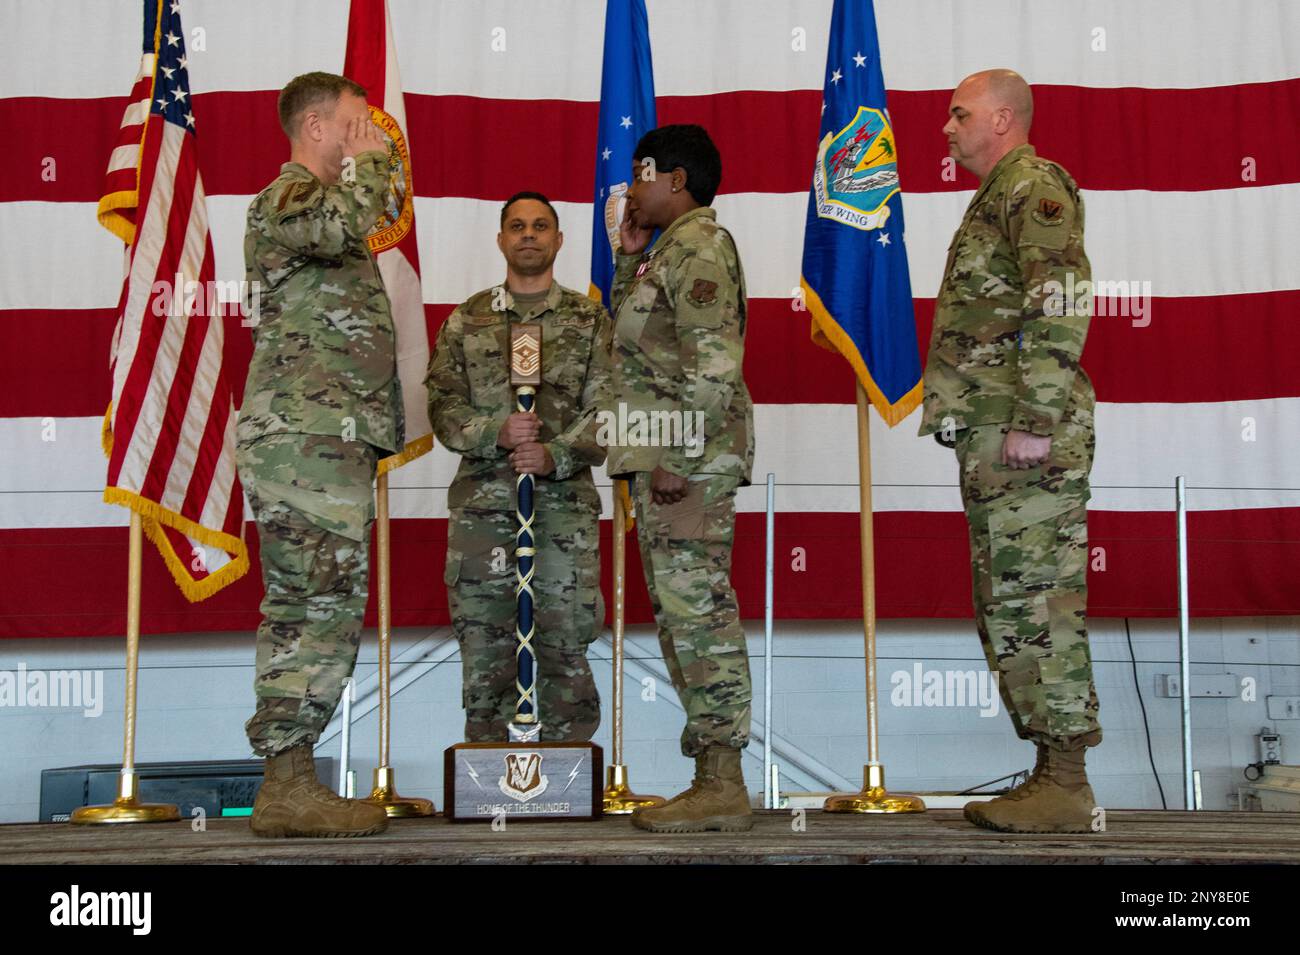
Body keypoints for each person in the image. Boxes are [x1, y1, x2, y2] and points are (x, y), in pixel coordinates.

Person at [919, 69, 1102, 833]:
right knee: (1008, 605)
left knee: (1037, 604)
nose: (946, 128)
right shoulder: (997, 194)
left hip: (1026, 434)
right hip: (997, 435)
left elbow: (1060, 292)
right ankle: (1049, 771)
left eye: (958, 115)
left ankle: (1066, 778)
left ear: (1001, 117)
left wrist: (1036, 415)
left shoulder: (1033, 183)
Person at [237, 71, 402, 838]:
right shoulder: (289, 200)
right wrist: (371, 163)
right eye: (355, 122)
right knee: (309, 606)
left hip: (327, 444)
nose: (369, 134)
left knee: (328, 606)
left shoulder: (331, 200)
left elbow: (374, 216)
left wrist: (375, 162)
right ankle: (286, 778)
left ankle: (293, 776)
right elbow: (347, 225)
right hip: (301, 443)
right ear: (314, 128)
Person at [607, 124, 756, 833]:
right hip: (664, 456)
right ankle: (711, 776)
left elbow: (713, 362)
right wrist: (627, 256)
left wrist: (678, 454)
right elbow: (635, 347)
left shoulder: (700, 246)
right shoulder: (663, 252)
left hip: (684, 463)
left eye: (641, 174)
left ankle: (722, 780)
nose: (631, 188)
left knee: (700, 617)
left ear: (677, 181)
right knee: (680, 619)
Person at [426, 192, 611, 742]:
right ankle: (485, 763)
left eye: (540, 226)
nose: (528, 234)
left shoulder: (588, 319)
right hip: (486, 510)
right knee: (486, 637)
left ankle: (569, 769)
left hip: (562, 511)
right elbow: (442, 403)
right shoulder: (468, 320)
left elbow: (610, 408)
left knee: (562, 632)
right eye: (516, 226)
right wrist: (494, 434)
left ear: (558, 240)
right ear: (501, 239)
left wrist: (557, 454)